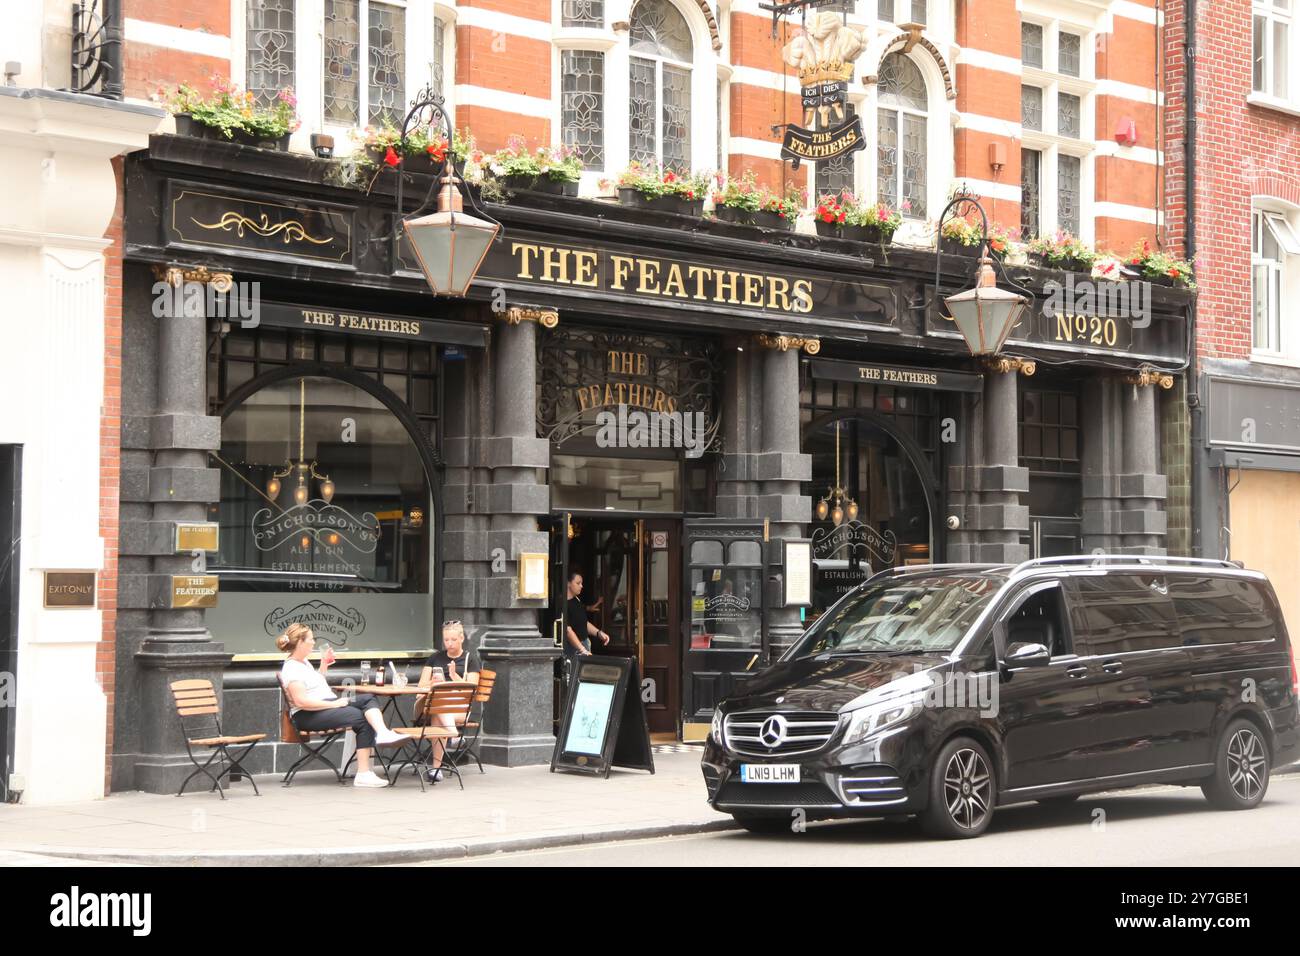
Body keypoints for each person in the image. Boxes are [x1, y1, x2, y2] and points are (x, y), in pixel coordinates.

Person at [277, 623, 408, 788]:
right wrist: (335, 705)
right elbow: (301, 702)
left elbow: (314, 685)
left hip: (324, 706)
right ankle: (363, 774)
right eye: (311, 639)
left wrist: (324, 664)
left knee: (368, 697)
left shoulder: (303, 663)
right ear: (300, 643)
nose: (313, 642)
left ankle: (382, 733)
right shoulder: (292, 668)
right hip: (308, 715)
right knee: (360, 717)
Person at [414, 620, 481, 783]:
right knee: (437, 709)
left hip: (460, 708)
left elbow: (472, 688)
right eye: (446, 640)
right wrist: (432, 683)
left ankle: (436, 768)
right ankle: (453, 735)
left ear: (461, 639)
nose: (449, 644)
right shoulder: (435, 658)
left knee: (437, 713)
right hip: (434, 705)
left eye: (453, 640)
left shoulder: (469, 660)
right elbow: (421, 685)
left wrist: (454, 675)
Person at [565, 570, 610, 658]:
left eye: (581, 583)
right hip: (573, 649)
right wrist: (582, 649)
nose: (581, 586)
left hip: (583, 645)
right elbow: (567, 630)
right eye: (578, 583)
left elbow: (583, 622)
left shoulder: (577, 600)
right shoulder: (562, 604)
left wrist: (598, 633)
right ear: (568, 583)